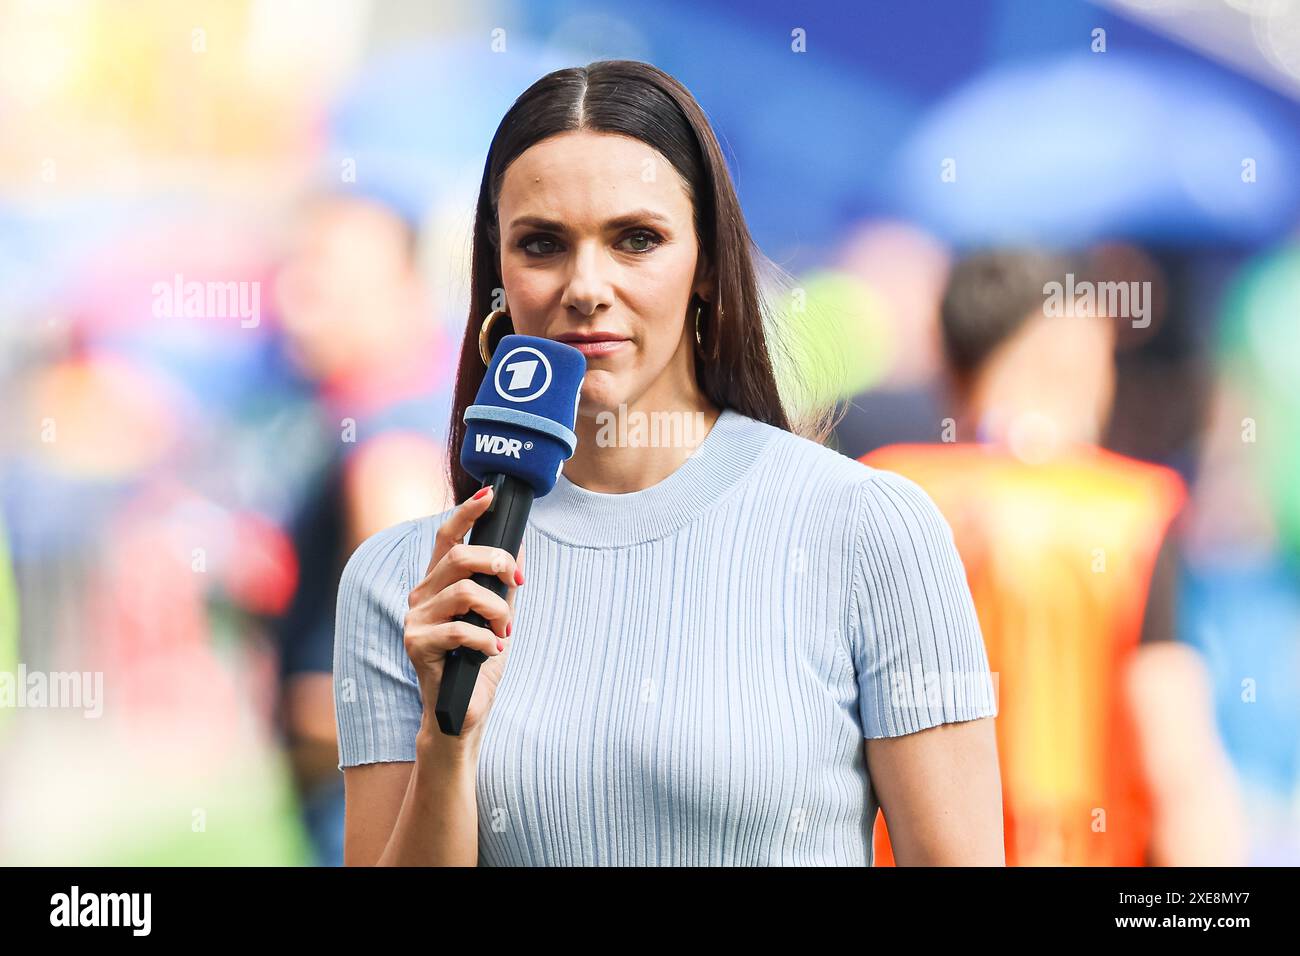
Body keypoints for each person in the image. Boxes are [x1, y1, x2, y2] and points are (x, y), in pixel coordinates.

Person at [333, 59, 1002, 866]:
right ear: (498, 278)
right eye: (542, 244)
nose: (586, 286)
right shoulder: (407, 583)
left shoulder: (866, 530)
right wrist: (448, 743)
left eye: (636, 240)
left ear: (710, 265)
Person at [862, 249, 1246, 866]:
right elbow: (1180, 766)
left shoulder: (881, 492)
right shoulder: (1131, 513)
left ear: (950, 365)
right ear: (1062, 350)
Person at [272, 192, 457, 865]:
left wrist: (302, 716)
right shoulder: (413, 421)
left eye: (322, 279)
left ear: (404, 288)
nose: (294, 304)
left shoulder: (389, 452)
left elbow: (432, 694)